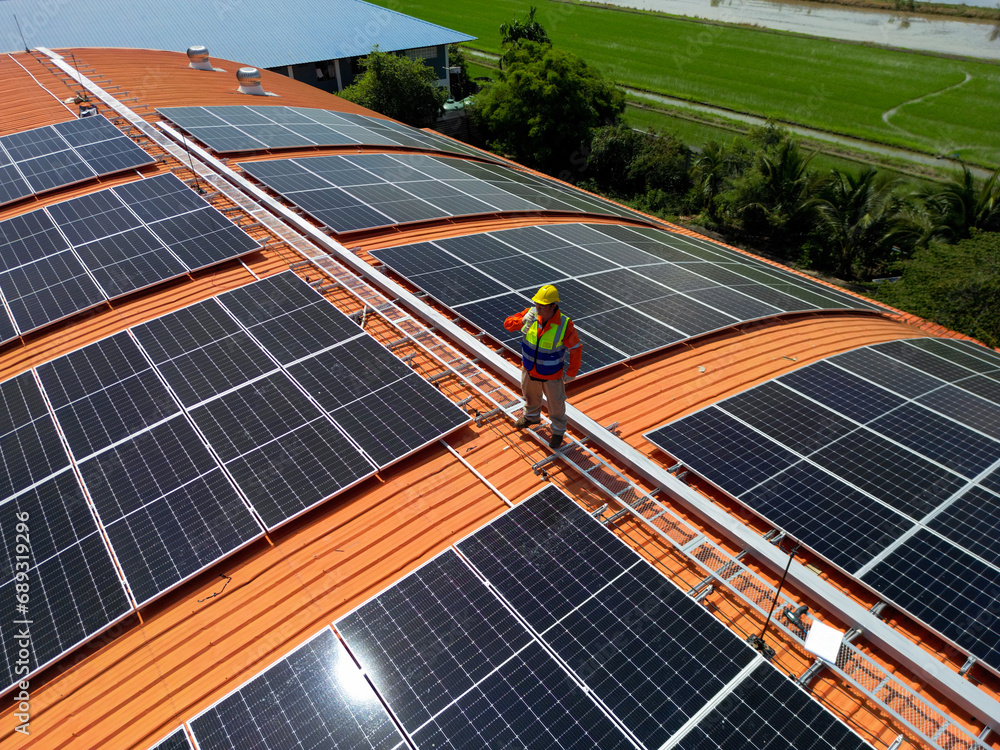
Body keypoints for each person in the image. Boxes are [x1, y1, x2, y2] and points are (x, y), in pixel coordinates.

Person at [504, 284, 582, 449]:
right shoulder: (530, 314)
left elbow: (575, 348)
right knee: (530, 396)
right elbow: (508, 324)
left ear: (553, 306)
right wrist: (521, 320)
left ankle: (558, 432)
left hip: (551, 373)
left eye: (542, 305)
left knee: (556, 404)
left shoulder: (564, 324)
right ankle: (531, 417)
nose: (537, 307)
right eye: (536, 303)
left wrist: (572, 372)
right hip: (529, 369)